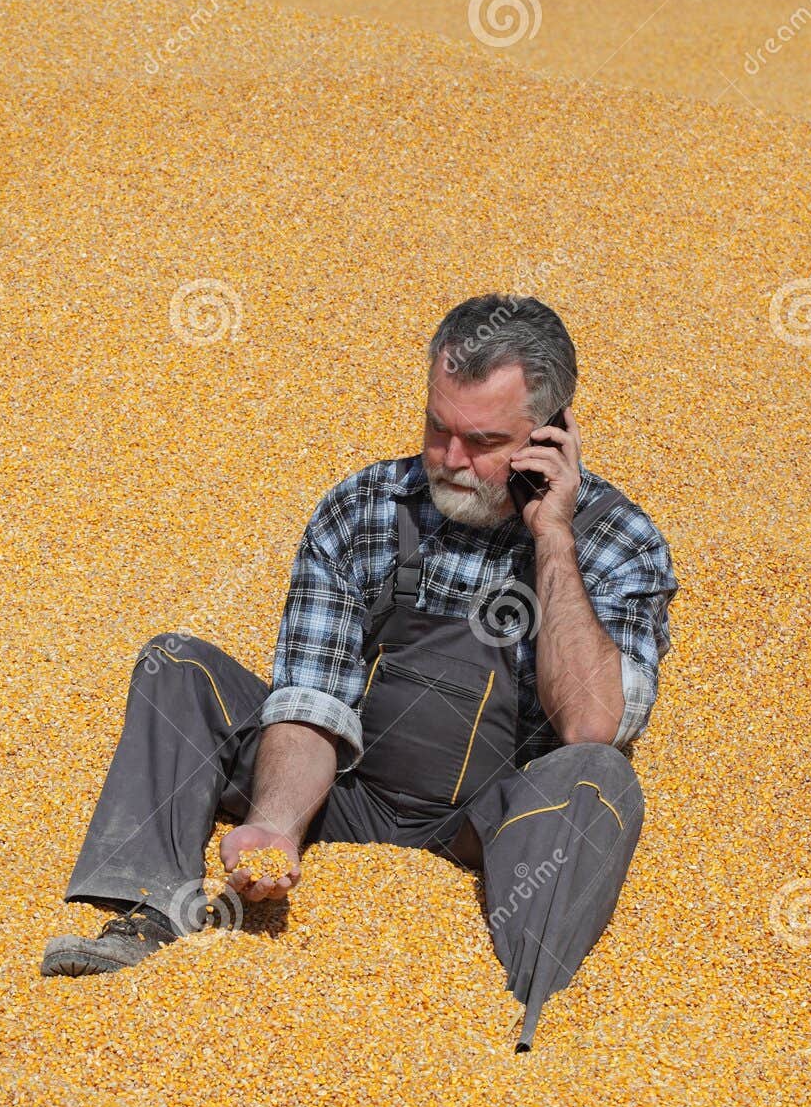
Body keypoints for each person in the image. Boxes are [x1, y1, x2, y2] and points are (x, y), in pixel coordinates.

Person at [40, 294, 679, 1050]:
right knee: (177, 666)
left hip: (492, 827)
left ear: (552, 436)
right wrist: (274, 828)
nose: (449, 459)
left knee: (596, 780)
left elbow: (592, 724)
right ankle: (148, 911)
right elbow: (313, 692)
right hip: (343, 797)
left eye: (482, 441)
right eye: (436, 427)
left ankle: (521, 1013)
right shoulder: (365, 508)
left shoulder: (618, 543)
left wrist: (552, 539)